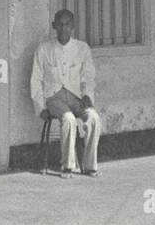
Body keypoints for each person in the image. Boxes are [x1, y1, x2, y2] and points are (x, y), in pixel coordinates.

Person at [30, 9, 102, 177]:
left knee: (93, 118)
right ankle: (67, 166)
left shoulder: (82, 48)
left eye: (67, 24)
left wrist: (87, 96)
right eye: (60, 25)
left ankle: (90, 165)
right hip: (54, 99)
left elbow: (88, 76)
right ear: (54, 26)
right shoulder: (44, 49)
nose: (64, 28)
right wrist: (40, 108)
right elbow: (35, 80)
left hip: (76, 97)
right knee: (68, 119)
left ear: (73, 26)